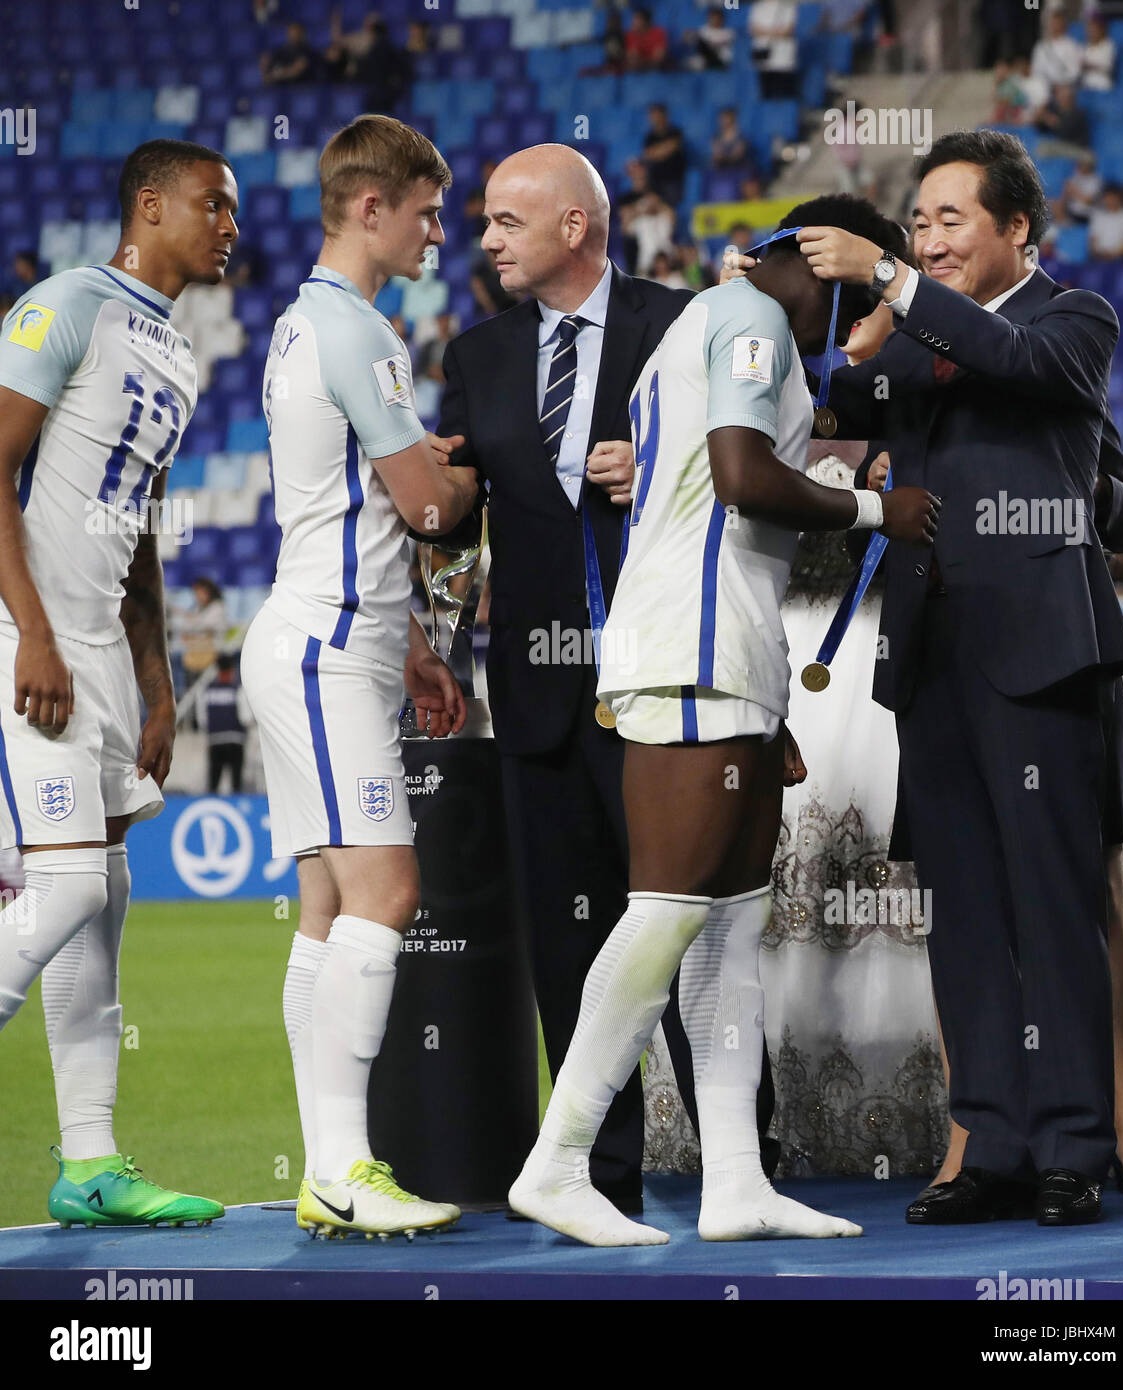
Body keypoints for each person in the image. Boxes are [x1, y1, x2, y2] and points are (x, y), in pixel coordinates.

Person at [508, 195, 939, 1246]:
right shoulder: (744, 315)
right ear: (821, 259)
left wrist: (769, 695)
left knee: (729, 928)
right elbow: (746, 481)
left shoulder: (717, 321)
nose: (863, 321)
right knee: (662, 909)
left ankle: (734, 1181)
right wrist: (882, 509)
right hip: (690, 648)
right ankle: (558, 1158)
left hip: (724, 650)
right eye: (866, 288)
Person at [437, 144, 781, 1216]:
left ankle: (739, 1163)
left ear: (574, 226)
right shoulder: (474, 354)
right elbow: (457, 518)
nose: (483, 239)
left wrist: (661, 465)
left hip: (668, 677)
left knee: (695, 923)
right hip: (537, 691)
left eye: (502, 220)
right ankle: (597, 1175)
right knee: (570, 941)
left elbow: (754, 467)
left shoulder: (689, 322)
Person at [800, 128, 1123, 1226]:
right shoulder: (906, 338)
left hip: (1040, 653)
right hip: (931, 653)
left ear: (1016, 230)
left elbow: (1021, 372)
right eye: (920, 219)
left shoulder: (1072, 319)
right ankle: (988, 1141)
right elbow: (826, 408)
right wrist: (769, 310)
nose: (929, 237)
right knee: (964, 915)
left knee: (1052, 907)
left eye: (951, 219)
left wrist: (894, 281)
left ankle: (1072, 1148)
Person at [240, 114, 479, 1241]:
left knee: (329, 910)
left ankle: (324, 1168)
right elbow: (426, 511)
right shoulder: (363, 333)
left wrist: (417, 650)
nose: (440, 231)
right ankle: (343, 1166)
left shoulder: (298, 325)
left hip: (323, 641)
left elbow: (357, 512)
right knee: (387, 893)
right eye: (426, 210)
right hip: (329, 650)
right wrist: (492, 468)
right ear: (369, 207)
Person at [0, 138, 239, 1227]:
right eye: (212, 205)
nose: (230, 224)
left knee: (107, 903)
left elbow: (136, 525)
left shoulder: (175, 351)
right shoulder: (66, 307)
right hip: (27, 635)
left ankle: (89, 1166)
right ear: (150, 205)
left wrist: (156, 679)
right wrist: (34, 635)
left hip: (97, 644)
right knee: (67, 891)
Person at [197, 652, 251, 794]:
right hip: (236, 741)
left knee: (214, 782)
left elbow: (202, 719)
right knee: (236, 783)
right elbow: (245, 717)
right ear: (232, 669)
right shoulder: (238, 689)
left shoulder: (207, 690)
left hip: (215, 741)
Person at [749, 0, 799, 101]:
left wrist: (766, 32)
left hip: (783, 60)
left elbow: (788, 30)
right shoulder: (758, 7)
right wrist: (775, 32)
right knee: (766, 94)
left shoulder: (787, 7)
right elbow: (753, 30)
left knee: (784, 96)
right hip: (763, 57)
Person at [641, 104, 687, 210]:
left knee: (668, 207)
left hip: (673, 180)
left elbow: (670, 148)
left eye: (657, 115)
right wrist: (662, 149)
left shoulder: (675, 132)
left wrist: (657, 152)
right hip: (655, 180)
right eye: (652, 116)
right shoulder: (650, 137)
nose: (654, 118)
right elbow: (647, 154)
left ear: (664, 115)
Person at [261, 21, 319, 85]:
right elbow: (267, 77)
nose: (294, 36)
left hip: (302, 88)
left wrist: (279, 74)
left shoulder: (309, 52)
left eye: (297, 33)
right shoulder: (281, 52)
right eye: (291, 33)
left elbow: (296, 71)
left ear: (303, 35)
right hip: (281, 89)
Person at [624, 7, 669, 71]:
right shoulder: (630, 35)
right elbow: (632, 58)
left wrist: (641, 60)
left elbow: (659, 58)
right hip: (638, 71)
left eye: (636, 20)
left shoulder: (658, 33)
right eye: (633, 19)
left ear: (645, 21)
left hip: (657, 70)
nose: (633, 23)